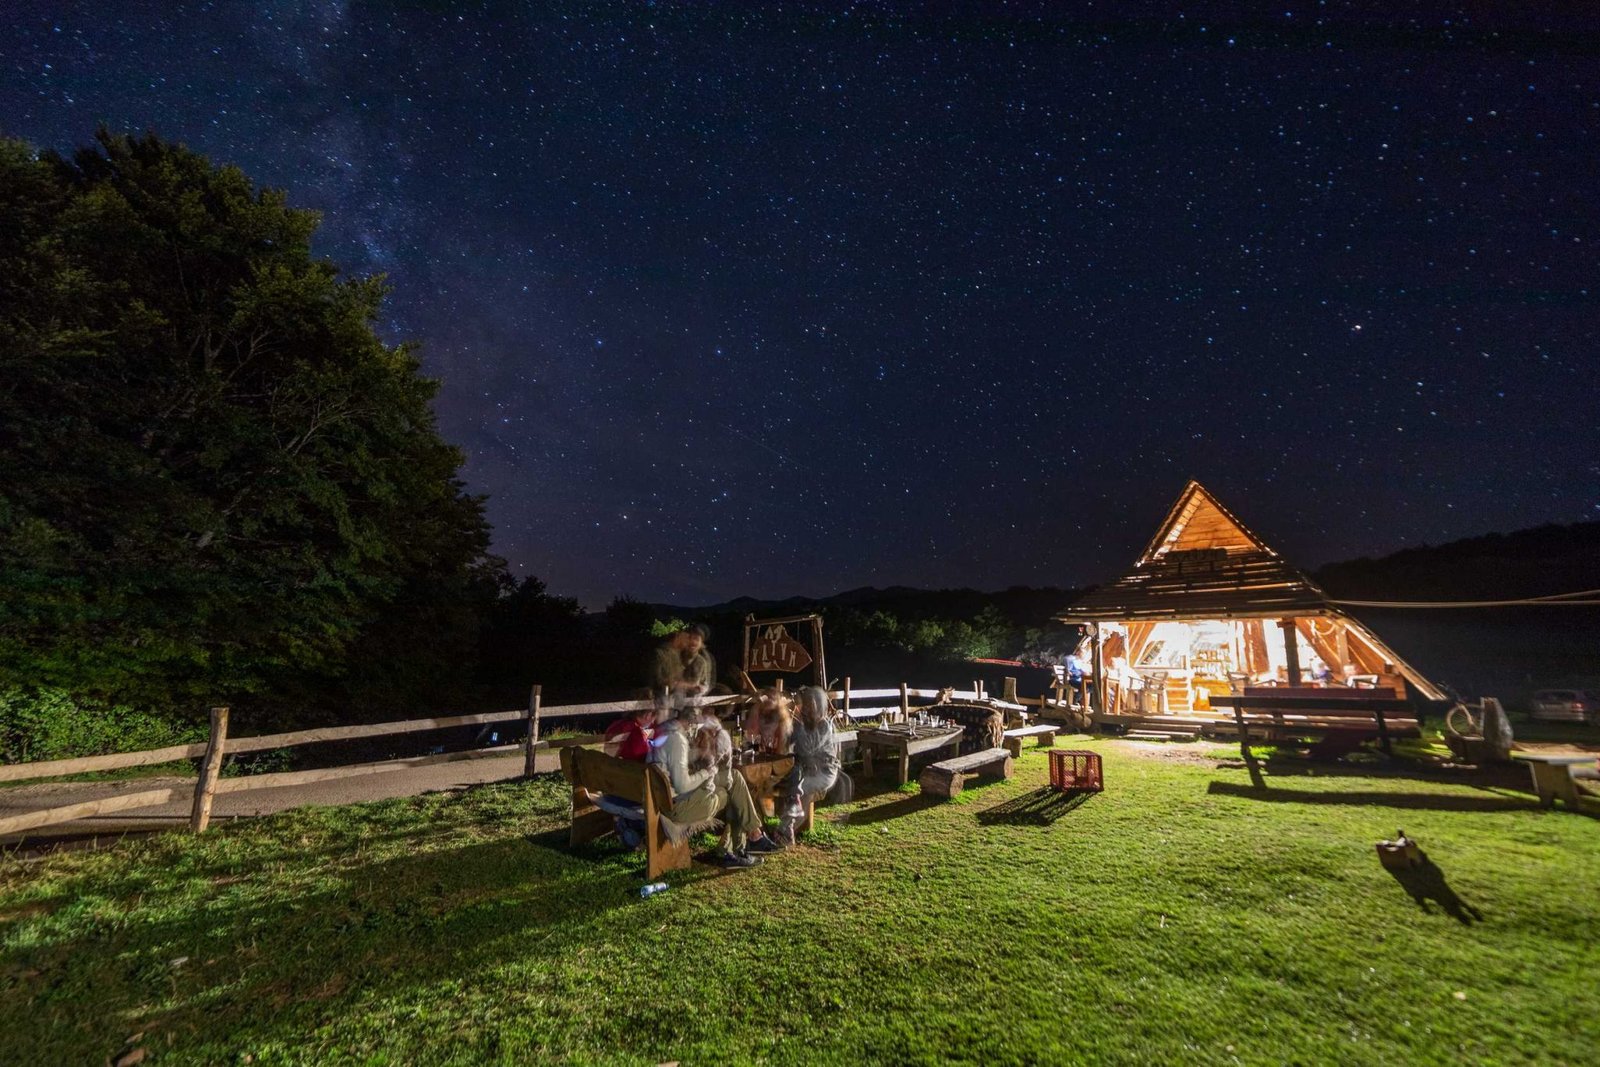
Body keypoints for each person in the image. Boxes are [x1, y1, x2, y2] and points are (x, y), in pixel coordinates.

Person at [652, 711, 766, 868]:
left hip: (667, 798)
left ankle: (751, 836)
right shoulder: (677, 740)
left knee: (735, 778)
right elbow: (682, 784)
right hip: (677, 806)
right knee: (731, 791)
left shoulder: (665, 734)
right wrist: (707, 773)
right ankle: (736, 847)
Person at [775, 686, 841, 846]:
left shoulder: (825, 725)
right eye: (807, 704)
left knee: (797, 790)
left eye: (812, 705)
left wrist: (796, 722)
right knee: (783, 785)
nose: (808, 708)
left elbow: (808, 749)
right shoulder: (801, 723)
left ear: (819, 706)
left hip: (825, 772)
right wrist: (784, 720)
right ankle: (781, 830)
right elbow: (785, 743)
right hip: (805, 771)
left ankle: (784, 833)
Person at [742, 687, 793, 756]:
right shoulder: (758, 711)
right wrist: (757, 706)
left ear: (777, 702)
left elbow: (782, 744)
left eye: (772, 698)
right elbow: (751, 734)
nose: (769, 700)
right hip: (761, 752)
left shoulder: (782, 717)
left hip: (777, 754)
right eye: (766, 697)